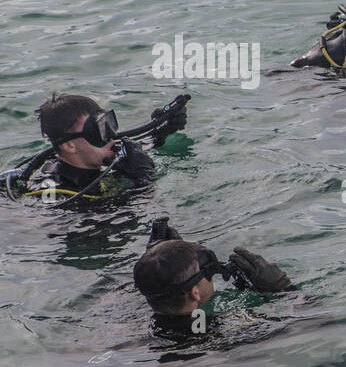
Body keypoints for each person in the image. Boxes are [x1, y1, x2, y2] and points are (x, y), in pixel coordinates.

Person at [3, 93, 188, 204]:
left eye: (107, 123)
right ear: (69, 146)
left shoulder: (96, 159)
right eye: (98, 130)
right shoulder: (56, 193)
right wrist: (143, 182)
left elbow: (136, 156)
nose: (111, 136)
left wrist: (163, 132)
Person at [132, 217, 293, 337]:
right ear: (195, 293)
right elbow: (306, 326)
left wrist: (163, 259)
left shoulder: (139, 323)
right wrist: (283, 290)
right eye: (205, 269)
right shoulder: (228, 332)